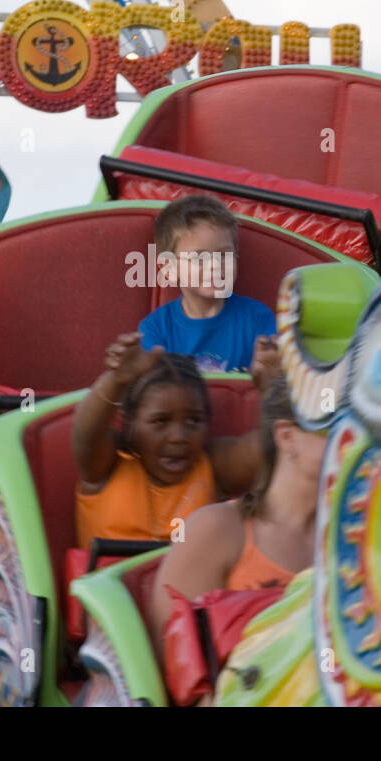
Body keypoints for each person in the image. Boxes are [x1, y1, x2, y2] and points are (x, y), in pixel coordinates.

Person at [150, 374, 326, 648]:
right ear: (287, 436)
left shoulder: (356, 534)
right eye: (334, 427)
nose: (353, 440)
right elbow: (180, 662)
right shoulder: (214, 529)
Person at [74, 333, 275, 549]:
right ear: (130, 423)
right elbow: (85, 434)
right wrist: (115, 381)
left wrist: (273, 389)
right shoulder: (104, 466)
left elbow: (269, 448)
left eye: (193, 421)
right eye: (161, 421)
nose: (179, 437)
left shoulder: (212, 466)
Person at [137, 195, 277, 374]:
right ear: (169, 268)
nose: (215, 265)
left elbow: (272, 385)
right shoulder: (155, 329)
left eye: (224, 254)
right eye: (198, 257)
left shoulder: (258, 318)